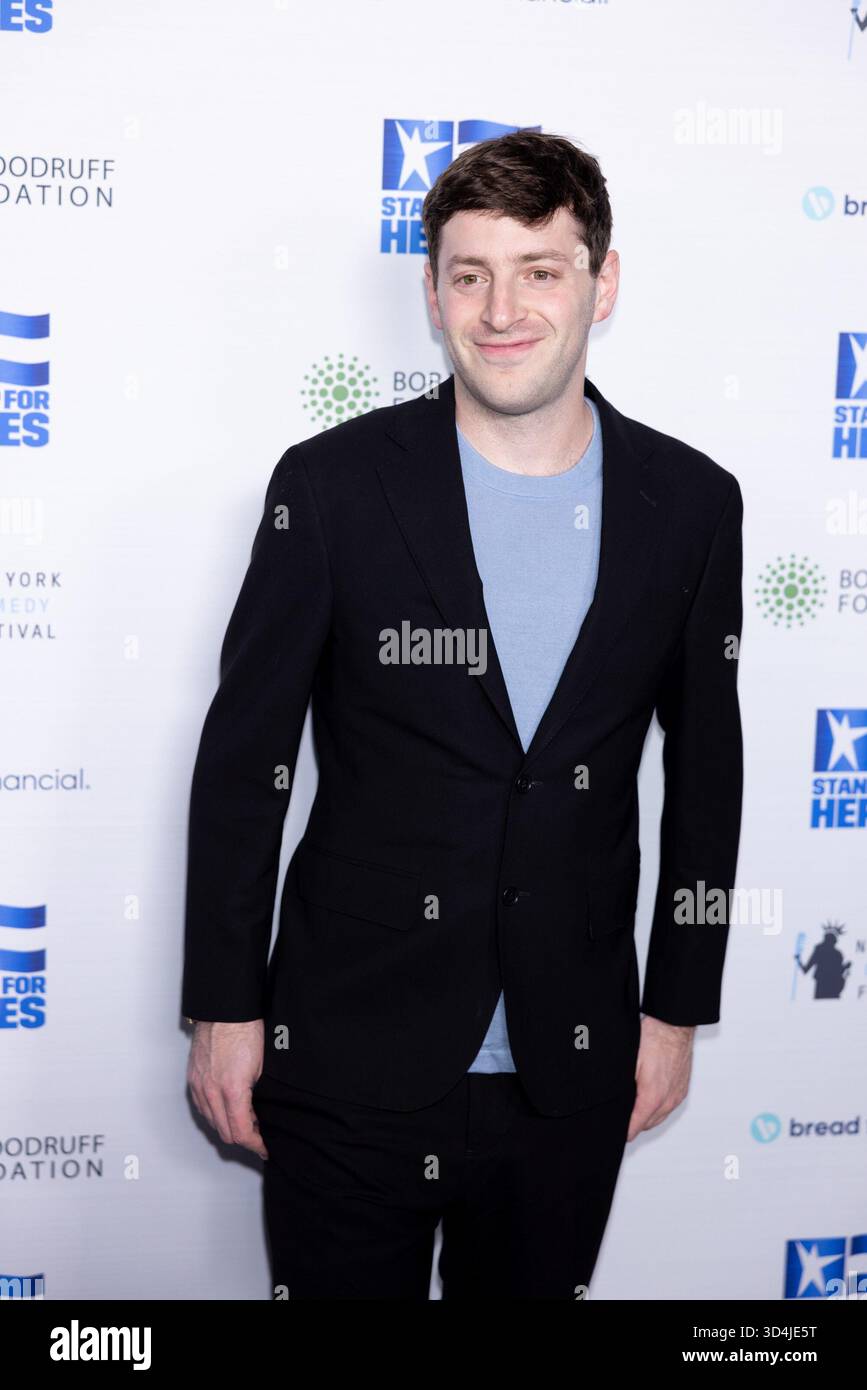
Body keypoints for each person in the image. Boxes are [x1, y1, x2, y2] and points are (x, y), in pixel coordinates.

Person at [182, 129, 743, 1299]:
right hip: (343, 1050)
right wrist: (226, 1007)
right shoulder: (331, 486)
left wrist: (677, 1006)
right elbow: (246, 763)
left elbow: (708, 769)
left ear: (605, 280)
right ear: (430, 292)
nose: (503, 309)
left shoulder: (689, 502)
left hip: (570, 1060)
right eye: (471, 272)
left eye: (541, 268)